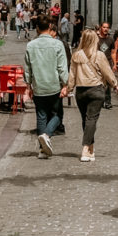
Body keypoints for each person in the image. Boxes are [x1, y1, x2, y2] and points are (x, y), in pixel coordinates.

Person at [23, 13, 69, 157]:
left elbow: (27, 69)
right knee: (57, 115)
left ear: (36, 28)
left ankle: (42, 150)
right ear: (50, 26)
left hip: (39, 87)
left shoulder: (30, 45)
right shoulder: (57, 44)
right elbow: (62, 67)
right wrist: (65, 84)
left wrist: (28, 86)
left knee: (41, 115)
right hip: (54, 85)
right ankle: (47, 136)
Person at [70, 28, 118, 162]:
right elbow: (107, 72)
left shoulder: (76, 55)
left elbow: (72, 75)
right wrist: (114, 84)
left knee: (86, 120)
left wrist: (68, 88)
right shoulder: (99, 55)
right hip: (96, 90)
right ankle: (86, 149)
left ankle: (90, 148)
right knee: (91, 120)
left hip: (80, 91)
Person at [96, 23, 115, 109]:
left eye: (107, 27)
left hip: (108, 63)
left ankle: (108, 102)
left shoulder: (110, 39)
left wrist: (115, 63)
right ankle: (99, 101)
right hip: (97, 63)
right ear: (100, 28)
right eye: (104, 27)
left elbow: (113, 52)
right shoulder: (96, 39)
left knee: (108, 82)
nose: (106, 29)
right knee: (98, 82)